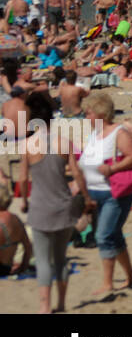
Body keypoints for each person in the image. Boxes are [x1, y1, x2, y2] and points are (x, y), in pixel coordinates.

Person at [17, 91, 85, 312]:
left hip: (40, 206)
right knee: (60, 259)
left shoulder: (28, 145)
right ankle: (62, 303)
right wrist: (87, 198)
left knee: (44, 260)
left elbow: (23, 179)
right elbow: (76, 174)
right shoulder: (64, 142)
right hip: (63, 204)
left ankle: (45, 306)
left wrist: (24, 202)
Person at [73, 92, 132, 297]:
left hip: (115, 192)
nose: (86, 118)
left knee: (103, 235)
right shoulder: (94, 136)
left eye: (88, 113)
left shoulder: (118, 133)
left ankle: (107, 283)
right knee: (114, 235)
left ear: (100, 113)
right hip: (96, 193)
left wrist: (113, 169)